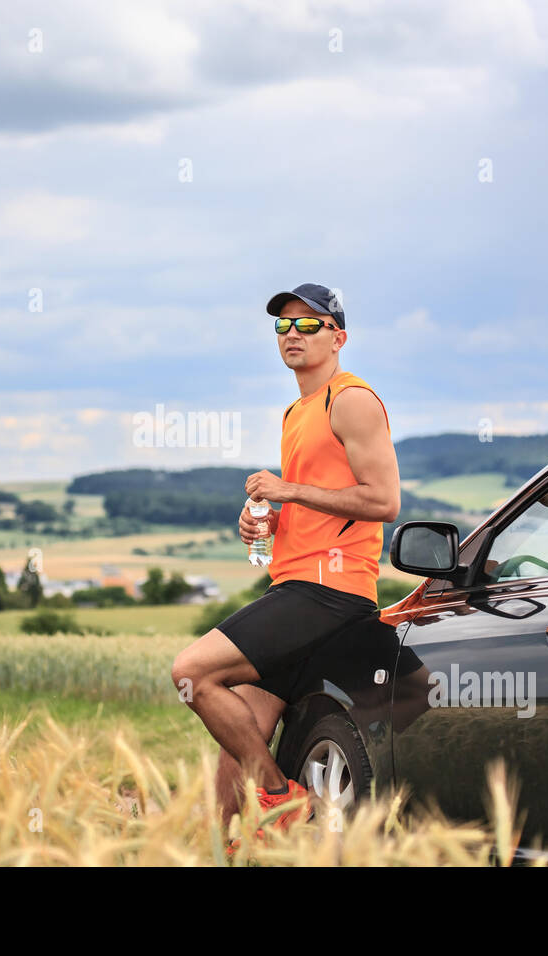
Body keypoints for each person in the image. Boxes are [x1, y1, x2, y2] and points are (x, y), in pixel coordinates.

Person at [170, 283, 400, 840]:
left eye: (308, 324)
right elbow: (321, 499)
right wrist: (267, 523)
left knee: (192, 673)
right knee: (237, 736)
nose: (292, 335)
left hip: (329, 592)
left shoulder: (350, 400)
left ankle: (278, 795)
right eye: (282, 326)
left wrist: (289, 490)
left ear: (338, 337)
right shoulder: (297, 411)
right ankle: (227, 847)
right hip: (295, 585)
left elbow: (383, 501)